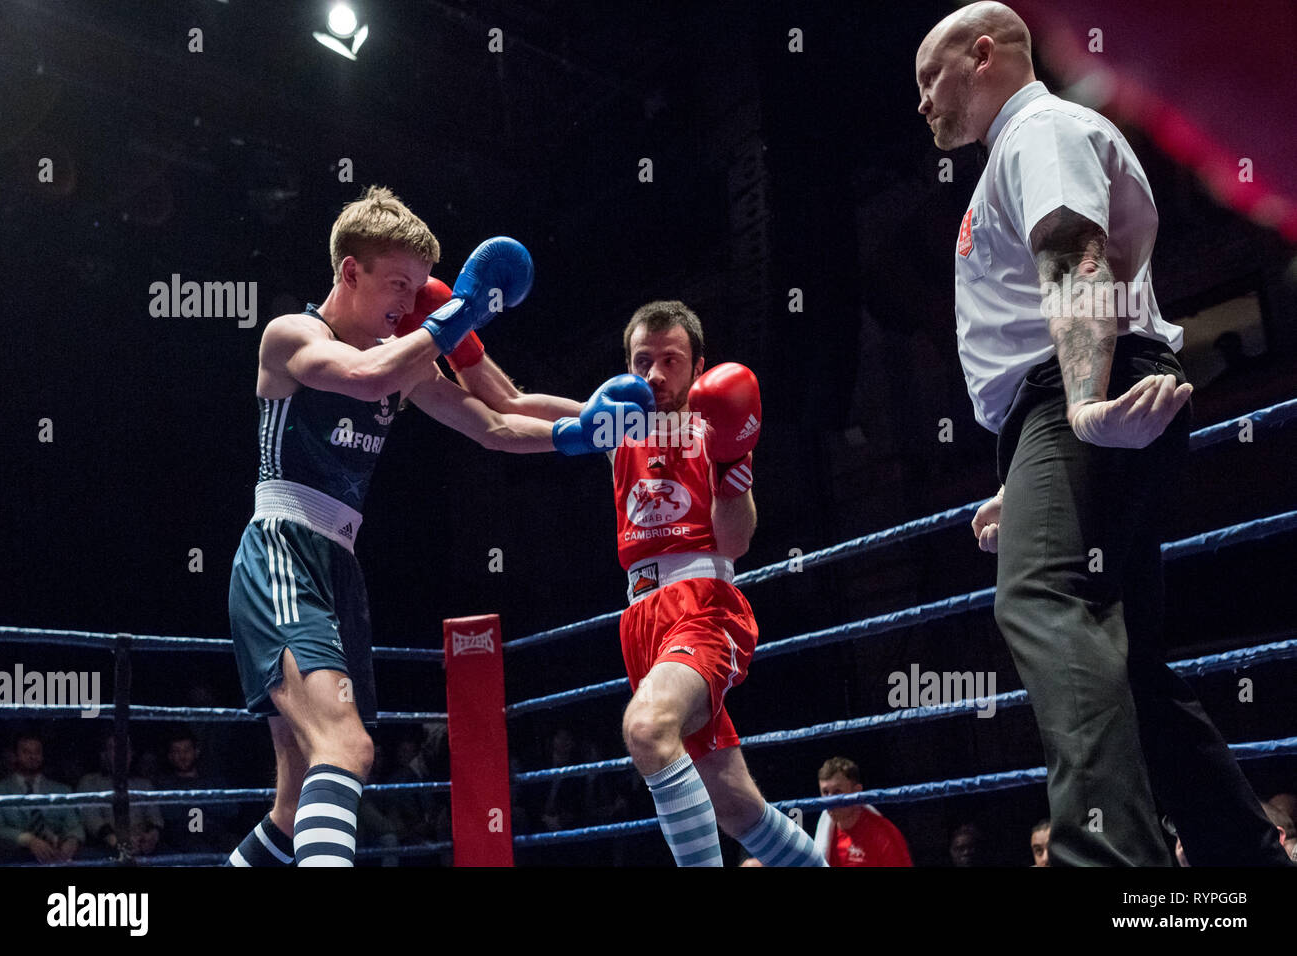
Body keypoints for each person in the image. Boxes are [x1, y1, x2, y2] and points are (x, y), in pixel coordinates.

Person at [915, 1, 1289, 866]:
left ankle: (1110, 864)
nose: (921, 103)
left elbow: (1075, 250)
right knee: (1131, 669)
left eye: (929, 78)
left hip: (1082, 391)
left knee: (1042, 602)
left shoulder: (1036, 128)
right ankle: (1248, 864)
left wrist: (1079, 408)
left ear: (982, 56)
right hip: (1063, 402)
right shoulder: (1010, 153)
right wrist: (1032, 466)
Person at [224, 186, 625, 867]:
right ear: (350, 272)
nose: (407, 304)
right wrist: (458, 311)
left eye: (417, 289)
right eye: (396, 284)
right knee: (346, 749)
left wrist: (589, 428)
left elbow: (497, 423)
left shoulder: (403, 357)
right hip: (282, 554)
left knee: (296, 809)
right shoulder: (294, 336)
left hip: (338, 569)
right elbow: (362, 378)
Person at [455, 300, 825, 866]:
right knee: (737, 809)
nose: (654, 373)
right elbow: (504, 404)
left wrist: (734, 463)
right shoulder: (613, 426)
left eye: (670, 360)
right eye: (642, 360)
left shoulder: (715, 428)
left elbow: (734, 542)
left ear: (698, 366)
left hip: (703, 605)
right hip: (642, 620)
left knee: (647, 728)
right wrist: (445, 324)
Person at [0, 732, 83, 863]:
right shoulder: (0, 790)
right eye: (26, 752)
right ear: (15, 756)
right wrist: (28, 840)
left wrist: (71, 841)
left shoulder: (62, 790)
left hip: (57, 857)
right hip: (14, 859)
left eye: (37, 752)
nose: (32, 756)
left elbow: (75, 825)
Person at [812, 756, 912, 866]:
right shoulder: (824, 834)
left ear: (856, 792)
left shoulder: (883, 834)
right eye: (825, 792)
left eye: (837, 792)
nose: (829, 801)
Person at [77, 733, 163, 859]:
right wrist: (116, 841)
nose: (121, 753)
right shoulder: (89, 782)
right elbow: (92, 819)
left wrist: (152, 837)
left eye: (125, 748)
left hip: (141, 847)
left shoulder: (144, 784)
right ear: (104, 754)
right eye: (114, 749)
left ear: (131, 754)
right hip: (105, 847)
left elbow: (155, 816)